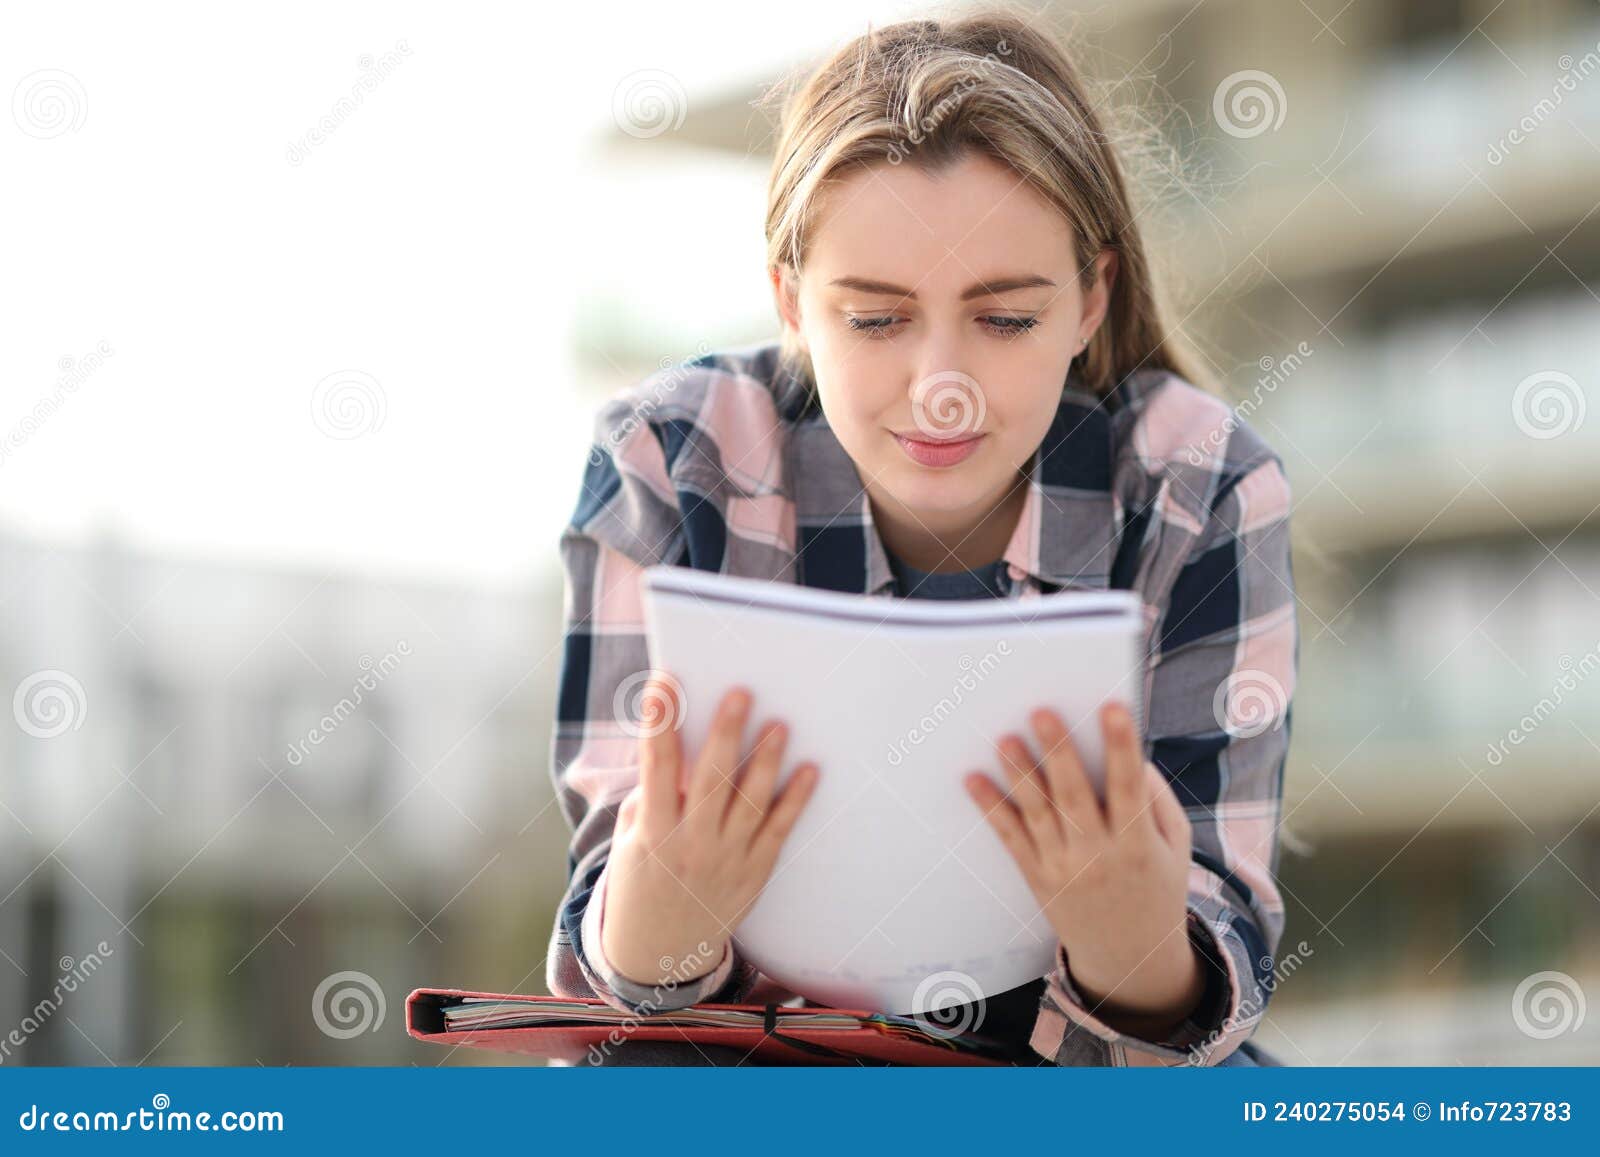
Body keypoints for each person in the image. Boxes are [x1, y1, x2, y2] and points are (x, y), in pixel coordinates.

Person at [546, 8, 1296, 1068]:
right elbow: (608, 975)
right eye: (875, 319)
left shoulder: (1201, 482)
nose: (940, 391)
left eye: (1003, 320)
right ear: (790, 302)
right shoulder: (665, 458)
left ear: (1090, 299)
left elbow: (1209, 979)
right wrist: (661, 921)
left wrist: (1132, 948)